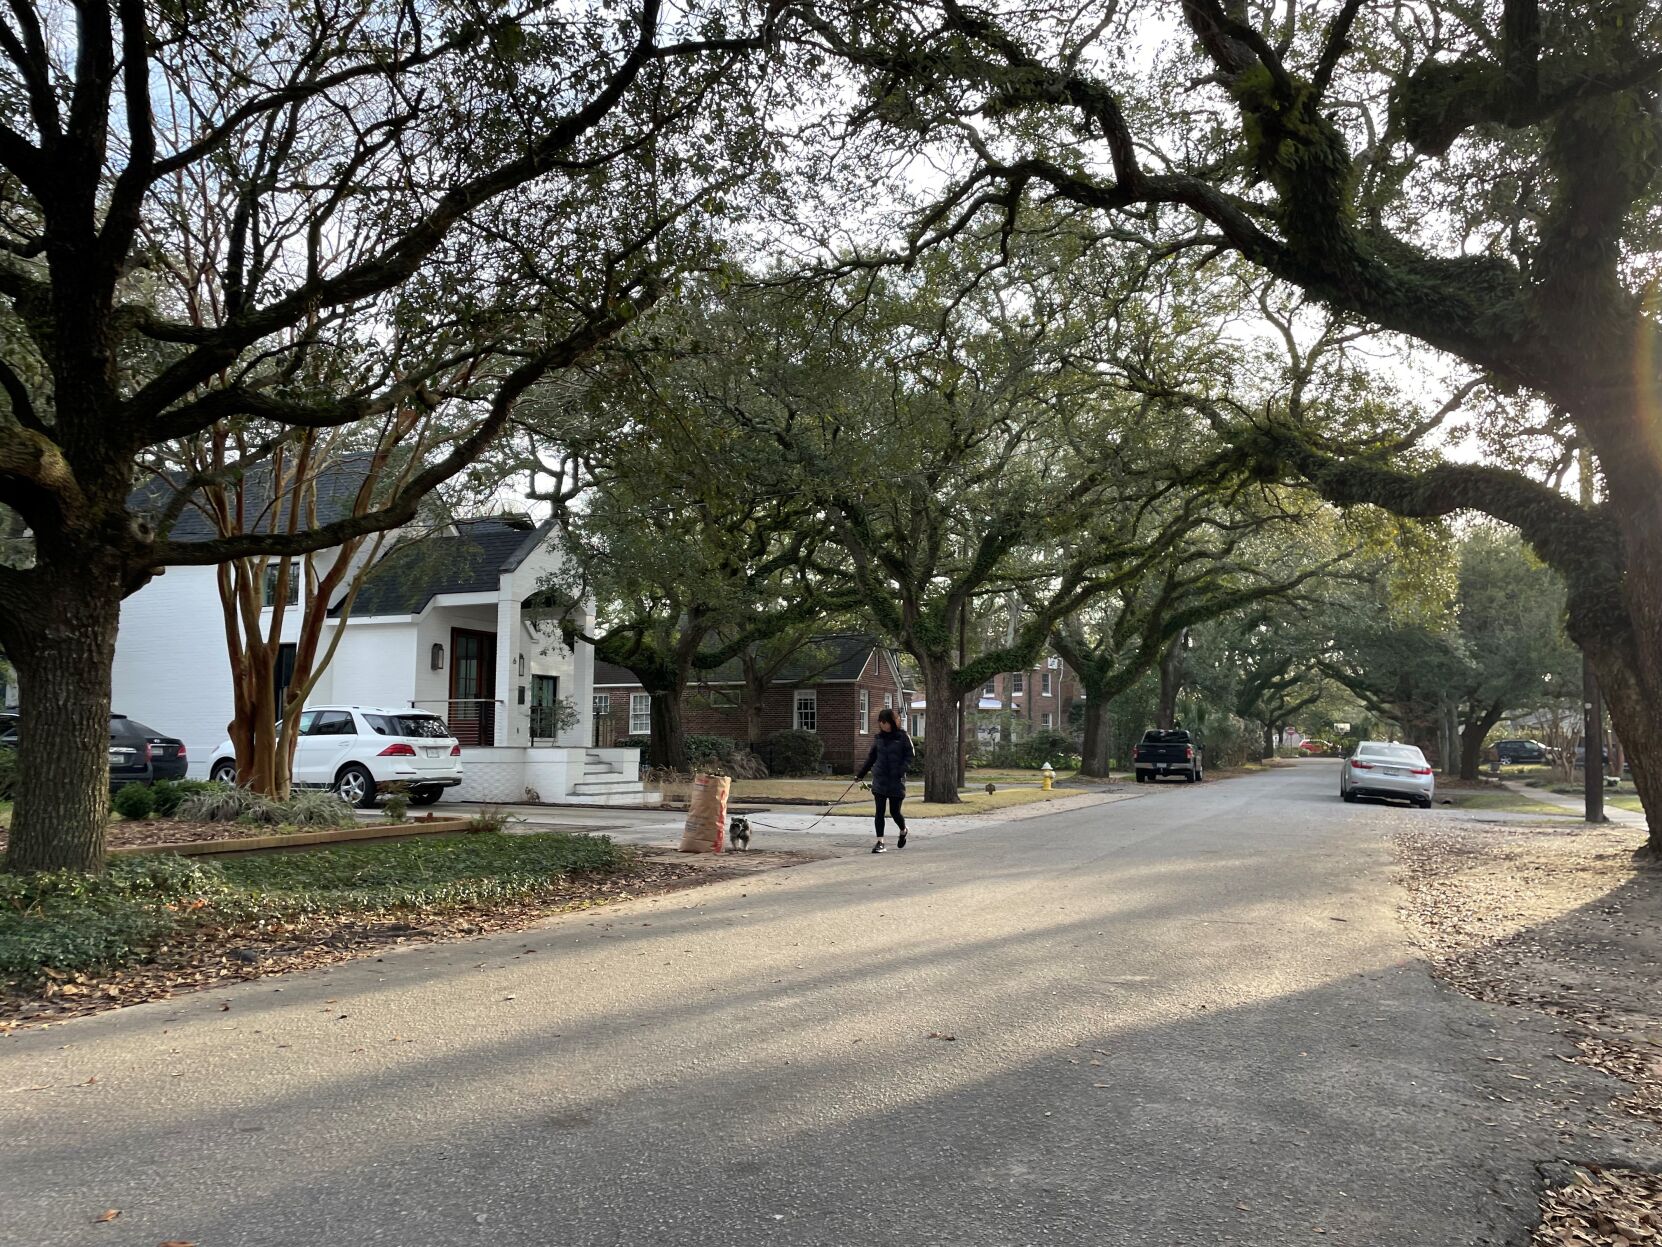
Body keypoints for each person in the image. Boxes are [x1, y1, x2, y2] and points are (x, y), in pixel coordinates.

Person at [855, 707, 914, 853]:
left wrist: (900, 771)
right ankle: (880, 841)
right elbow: (871, 758)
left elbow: (910, 756)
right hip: (880, 779)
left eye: (885, 722)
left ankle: (903, 830)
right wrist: (861, 774)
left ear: (892, 722)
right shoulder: (879, 739)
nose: (883, 725)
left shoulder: (902, 736)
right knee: (879, 812)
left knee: (895, 812)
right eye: (881, 722)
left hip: (896, 780)